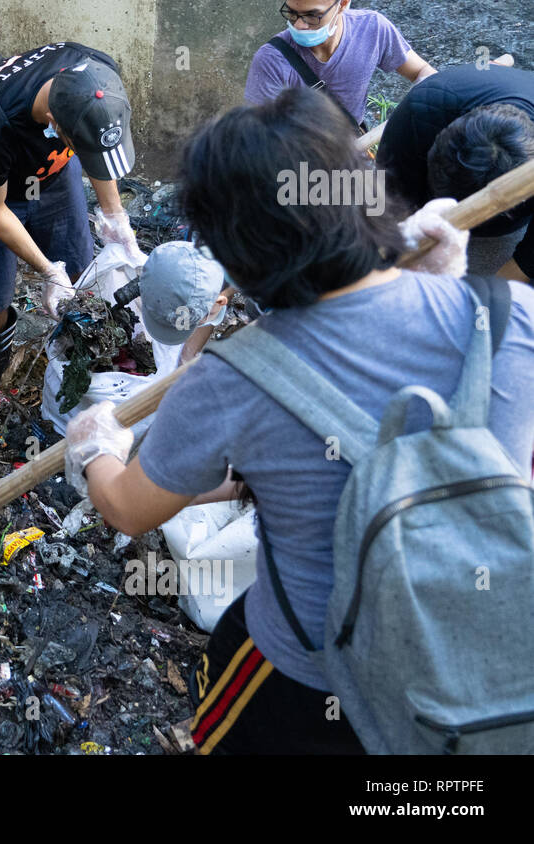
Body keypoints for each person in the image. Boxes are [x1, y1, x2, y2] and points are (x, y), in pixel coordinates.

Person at [63, 86, 534, 753]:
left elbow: (129, 509)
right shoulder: (513, 319)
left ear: (240, 252)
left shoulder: (230, 379)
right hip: (474, 669)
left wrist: (96, 447)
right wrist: (443, 287)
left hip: (310, 682)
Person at [0, 42, 146, 403]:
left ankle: (88, 372)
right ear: (53, 123)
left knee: (82, 274)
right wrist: (49, 271)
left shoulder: (97, 72)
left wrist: (115, 217)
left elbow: (98, 149)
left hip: (54, 179)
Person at [244, 0, 434, 129]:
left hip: (353, 148)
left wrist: (406, 117)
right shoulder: (271, 60)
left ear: (342, 4)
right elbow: (261, 136)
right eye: (292, 12)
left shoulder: (373, 29)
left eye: (312, 15)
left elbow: (422, 73)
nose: (299, 24)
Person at [376, 64, 534, 283]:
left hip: (509, 220)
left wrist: (478, 305)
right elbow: (391, 201)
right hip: (429, 204)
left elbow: (527, 264)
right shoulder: (423, 109)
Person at [136, 240, 235, 366]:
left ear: (220, 302)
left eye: (194, 323)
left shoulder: (263, 284)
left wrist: (189, 352)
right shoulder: (178, 254)